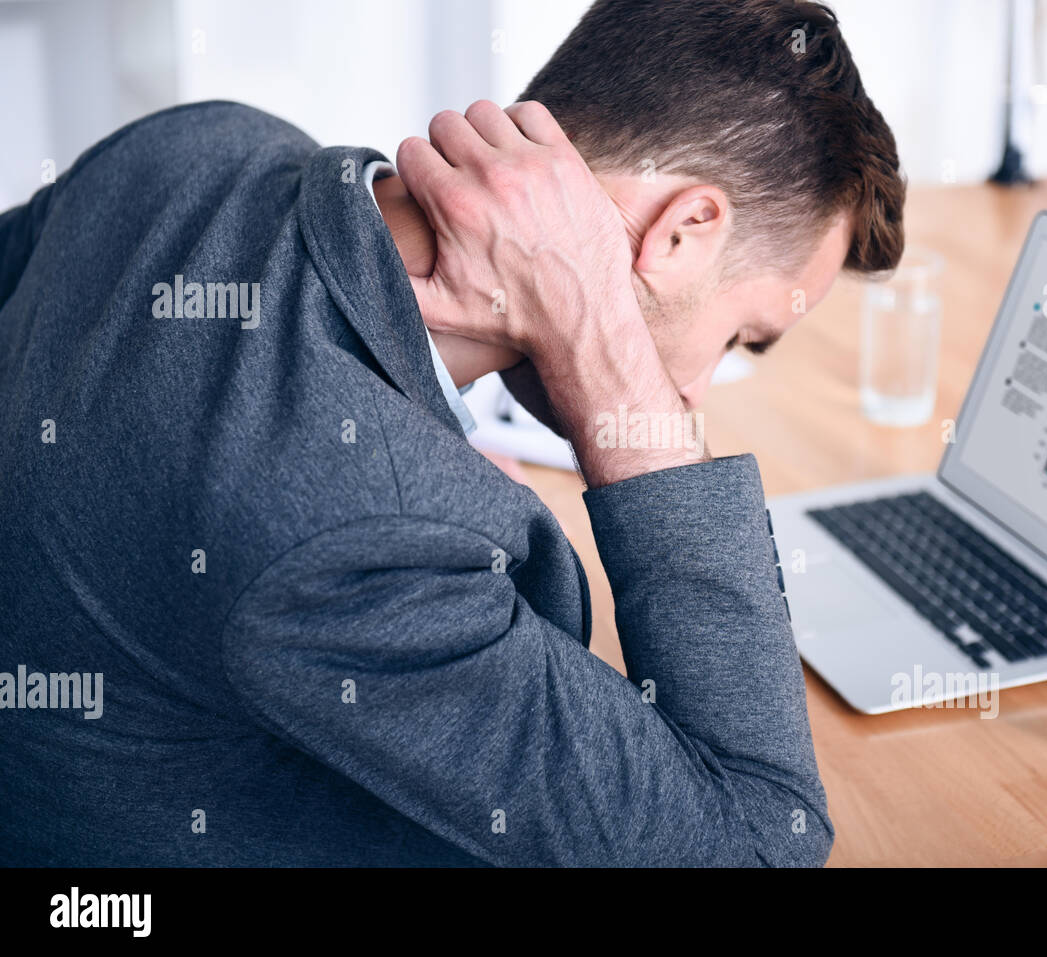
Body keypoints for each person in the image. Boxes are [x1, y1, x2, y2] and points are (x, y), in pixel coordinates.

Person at [0, 0, 903, 866]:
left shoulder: (205, 142)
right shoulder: (367, 537)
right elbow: (759, 839)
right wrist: (612, 371)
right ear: (682, 233)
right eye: (741, 340)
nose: (699, 393)